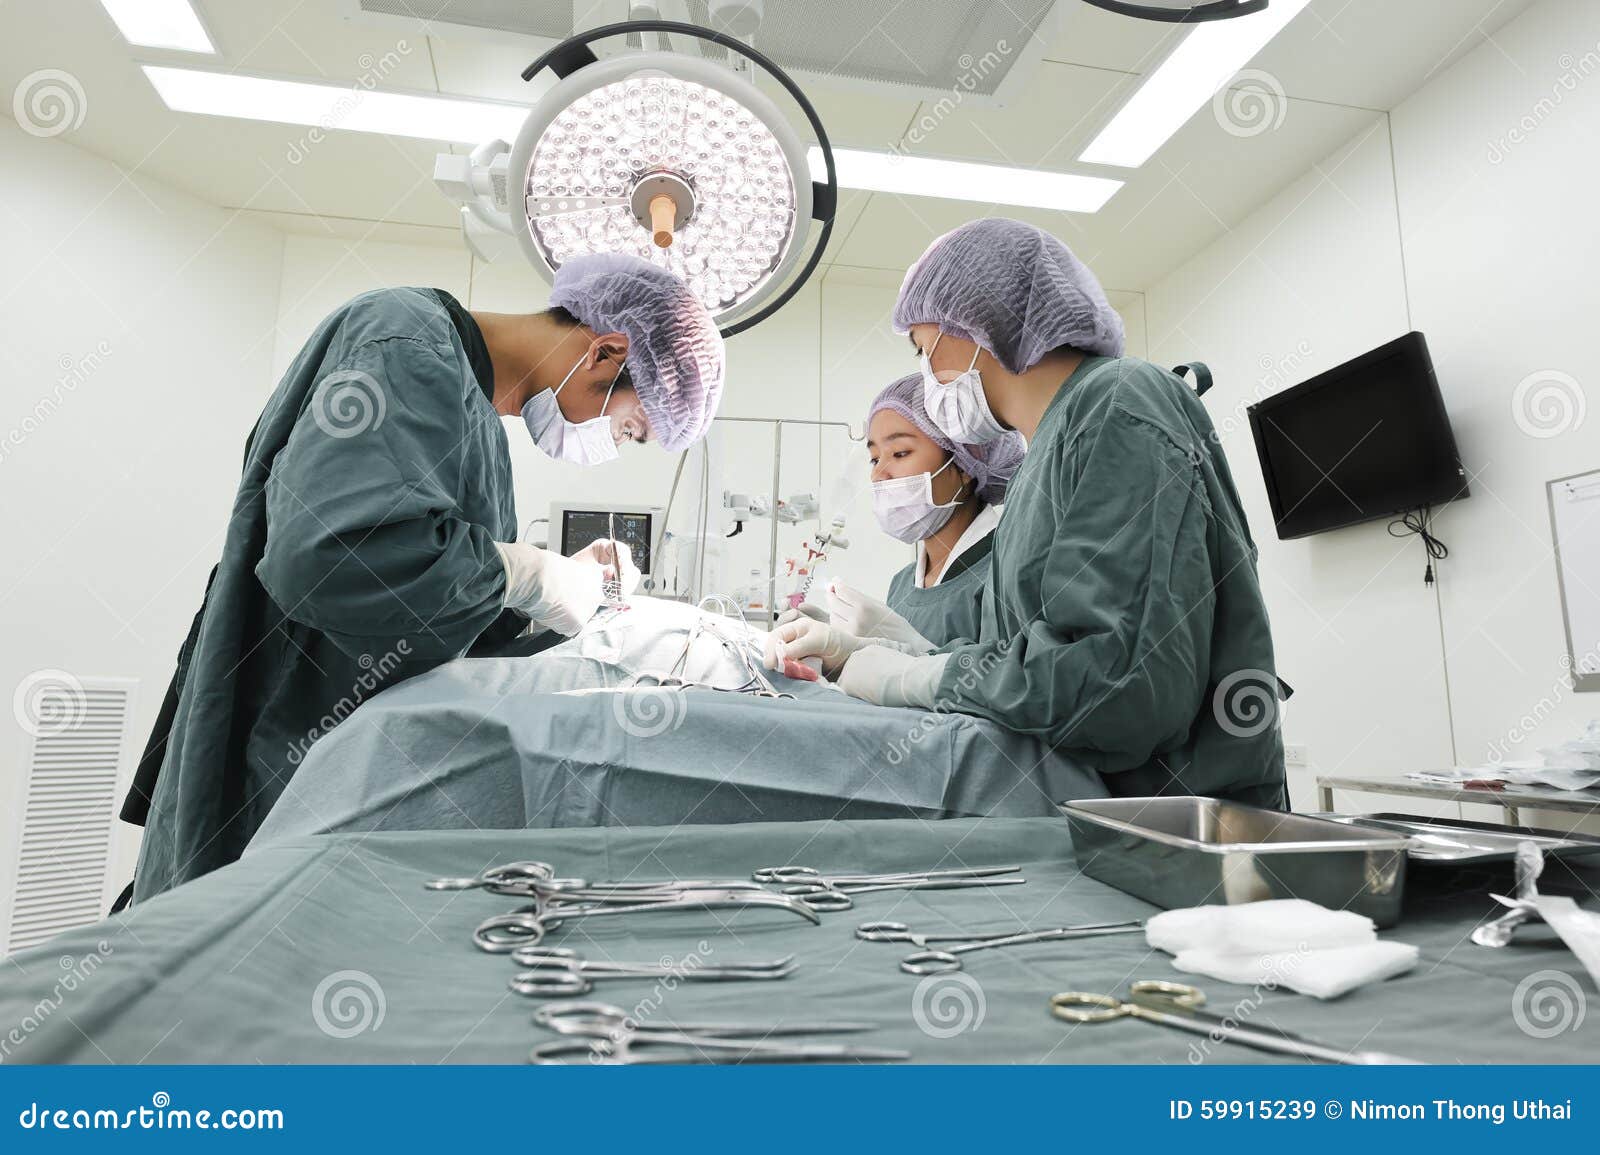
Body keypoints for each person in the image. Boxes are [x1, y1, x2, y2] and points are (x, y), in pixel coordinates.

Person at [121, 253, 724, 900]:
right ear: (606, 352)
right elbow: (329, 557)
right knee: (225, 935)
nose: (610, 446)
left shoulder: (479, 426)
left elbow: (444, 618)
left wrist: (557, 596)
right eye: (629, 429)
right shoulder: (403, 338)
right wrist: (525, 573)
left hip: (335, 756)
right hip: (280, 739)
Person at [768, 218, 1285, 807]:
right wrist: (873, 652)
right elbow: (1020, 665)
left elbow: (1117, 688)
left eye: (922, 348)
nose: (926, 373)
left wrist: (912, 677)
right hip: (1094, 811)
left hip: (1174, 817)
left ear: (973, 324)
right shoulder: (1041, 466)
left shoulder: (1118, 404)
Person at [792, 373, 1023, 650]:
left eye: (900, 453)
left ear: (965, 464)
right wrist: (842, 646)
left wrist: (910, 650)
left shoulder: (1007, 572)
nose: (878, 474)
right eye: (874, 459)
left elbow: (1009, 674)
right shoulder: (903, 584)